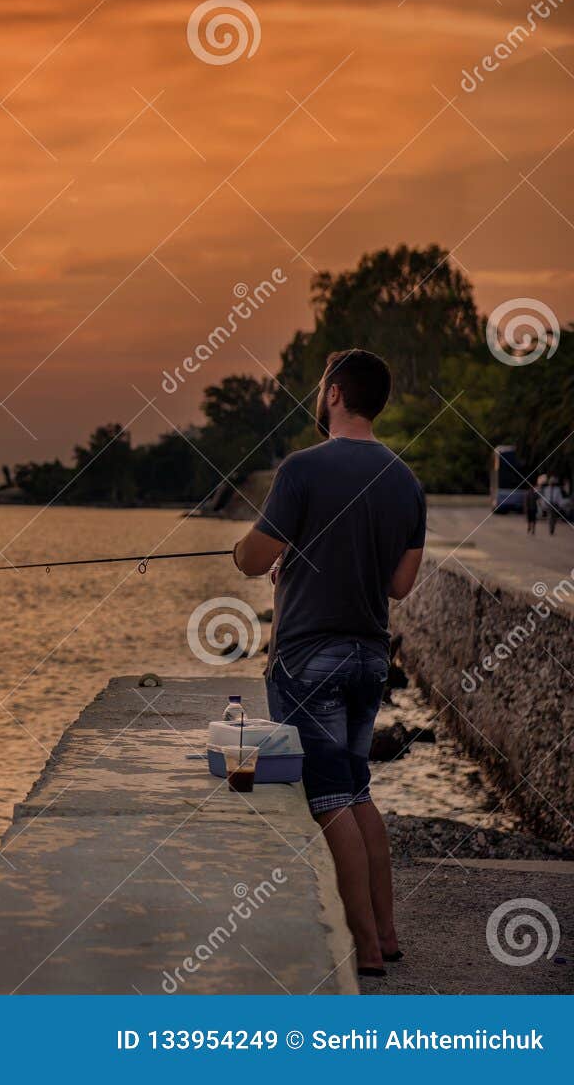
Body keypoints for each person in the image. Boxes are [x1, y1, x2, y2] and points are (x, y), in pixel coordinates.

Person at [232, 349, 425, 979]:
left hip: (308, 656)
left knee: (330, 798)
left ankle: (366, 951)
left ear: (336, 393)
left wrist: (250, 548)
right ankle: (388, 934)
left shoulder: (302, 469)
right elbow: (399, 585)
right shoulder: (406, 480)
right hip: (370, 658)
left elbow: (253, 559)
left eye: (322, 388)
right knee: (359, 792)